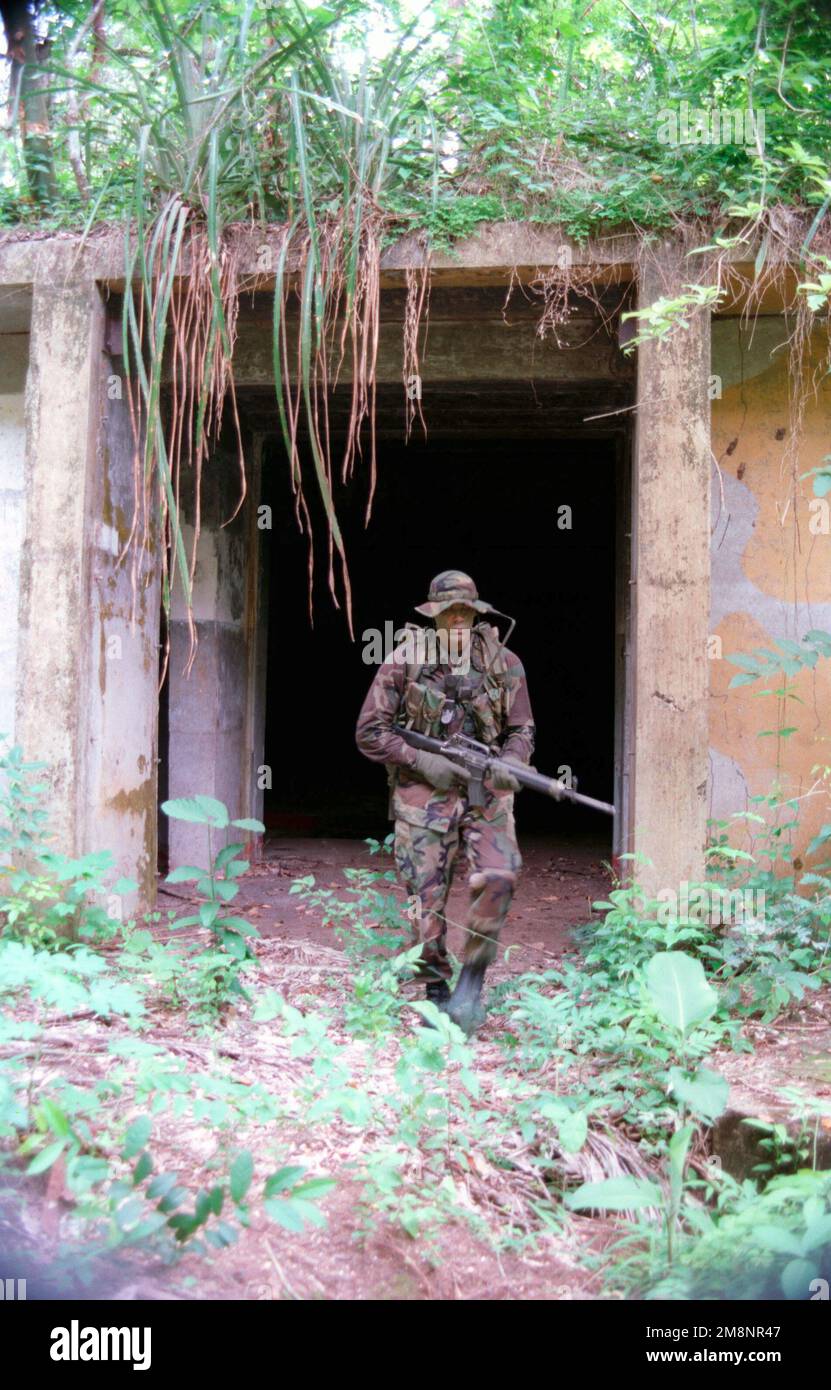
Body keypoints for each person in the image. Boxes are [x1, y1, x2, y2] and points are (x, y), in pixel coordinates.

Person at [355, 570, 535, 1035]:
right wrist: (421, 760)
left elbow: (522, 729)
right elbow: (370, 733)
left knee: (498, 877)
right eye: (448, 612)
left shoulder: (504, 662)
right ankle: (435, 988)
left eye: (466, 612)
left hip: (486, 793)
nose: (458, 620)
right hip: (425, 797)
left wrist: (511, 762)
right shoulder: (403, 662)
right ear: (434, 615)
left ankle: (471, 984)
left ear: (476, 615)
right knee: (425, 900)